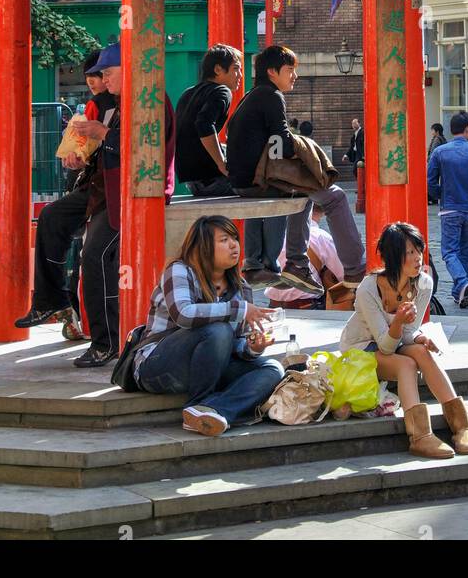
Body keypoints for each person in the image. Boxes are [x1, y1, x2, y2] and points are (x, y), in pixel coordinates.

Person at [17, 42, 174, 367]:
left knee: (96, 256)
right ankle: (50, 298)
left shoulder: (149, 98)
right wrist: (81, 158)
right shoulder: (109, 103)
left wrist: (103, 133)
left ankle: (107, 342)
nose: (102, 79)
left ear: (127, 70)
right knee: (51, 218)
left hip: (134, 193)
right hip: (103, 189)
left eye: (107, 72)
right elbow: (107, 151)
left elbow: (146, 149)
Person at [227, 44, 366, 294]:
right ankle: (354, 269)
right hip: (259, 181)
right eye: (290, 69)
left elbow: (271, 144)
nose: (295, 75)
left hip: (242, 180)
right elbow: (281, 142)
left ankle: (274, 262)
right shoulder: (271, 96)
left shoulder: (251, 96)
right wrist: (300, 150)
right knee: (334, 197)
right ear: (272, 71)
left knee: (303, 192)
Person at [134, 216, 283, 436]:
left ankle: (212, 411)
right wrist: (238, 309)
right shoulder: (179, 271)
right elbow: (183, 314)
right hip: (158, 367)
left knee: (272, 368)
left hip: (211, 367)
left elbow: (235, 344)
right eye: (224, 240)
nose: (234, 245)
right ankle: (201, 403)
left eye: (235, 238)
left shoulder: (240, 286)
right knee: (218, 329)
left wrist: (253, 348)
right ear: (203, 247)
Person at [339, 222, 468, 459]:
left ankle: (462, 426)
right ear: (394, 257)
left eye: (419, 250)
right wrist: (398, 321)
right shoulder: (368, 289)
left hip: (393, 342)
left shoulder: (423, 283)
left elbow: (409, 332)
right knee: (407, 364)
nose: (418, 258)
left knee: (422, 354)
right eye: (410, 252)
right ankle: (420, 436)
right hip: (361, 348)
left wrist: (421, 337)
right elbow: (384, 344)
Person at [427, 111, 468, 309]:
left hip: (450, 208)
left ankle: (461, 284)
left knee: (449, 251)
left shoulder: (440, 152)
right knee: (464, 252)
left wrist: (440, 195)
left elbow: (430, 181)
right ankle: (461, 293)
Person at [174, 45, 242, 199]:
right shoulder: (221, 91)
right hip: (213, 182)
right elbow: (203, 124)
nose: (240, 75)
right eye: (236, 68)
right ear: (218, 69)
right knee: (275, 187)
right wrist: (221, 163)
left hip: (193, 182)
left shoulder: (188, 93)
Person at [264, 204, 345, 309]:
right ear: (324, 209)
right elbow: (343, 275)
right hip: (307, 305)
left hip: (274, 305)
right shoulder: (321, 237)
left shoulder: (277, 234)